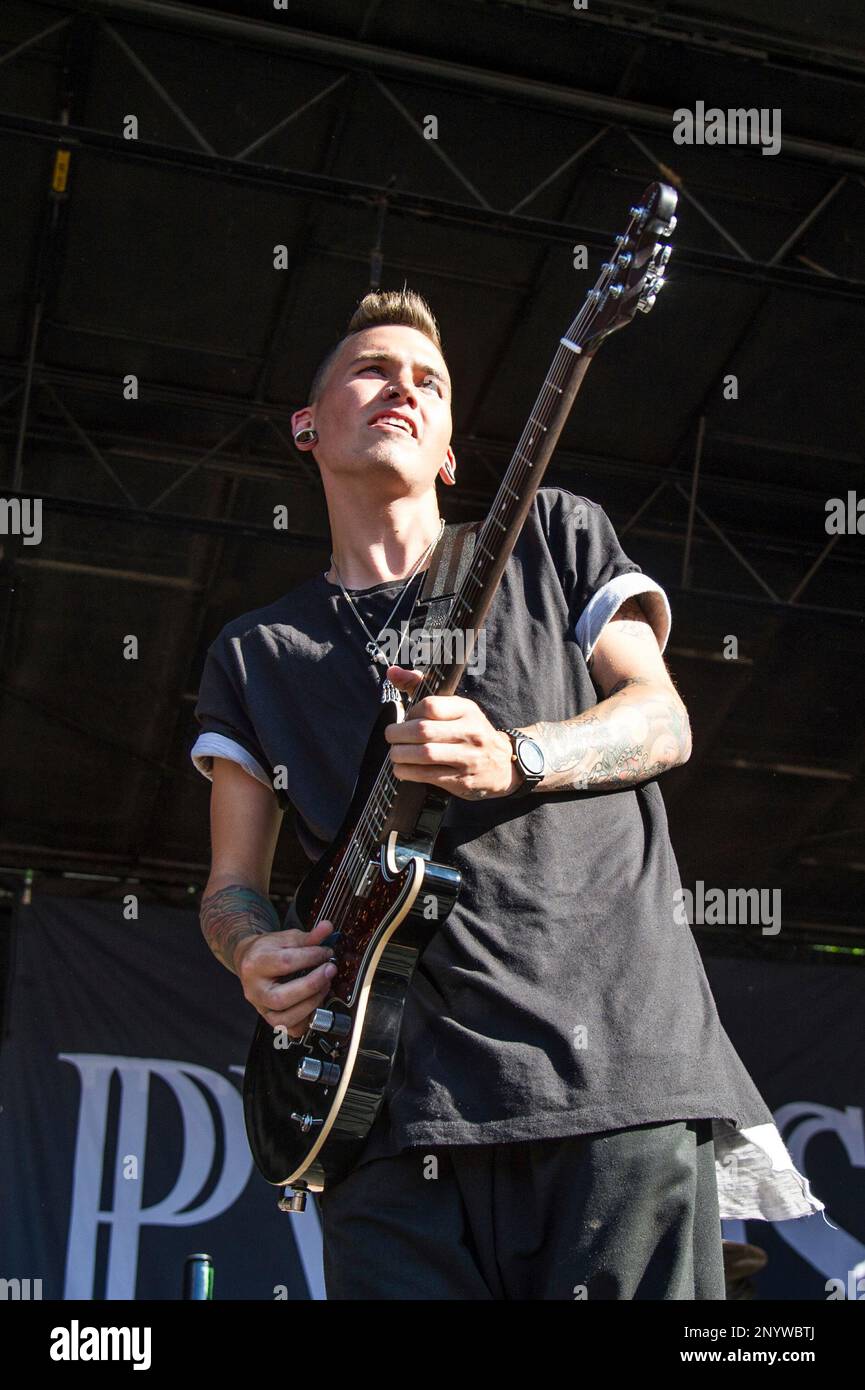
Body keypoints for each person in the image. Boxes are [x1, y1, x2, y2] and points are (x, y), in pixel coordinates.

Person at [191, 289, 824, 1301]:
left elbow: (661, 718)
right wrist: (250, 950)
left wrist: (517, 758)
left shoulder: (552, 538)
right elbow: (231, 885)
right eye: (371, 369)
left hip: (611, 1081)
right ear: (307, 428)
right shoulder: (255, 652)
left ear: (447, 453)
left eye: (428, 382)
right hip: (385, 1116)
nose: (402, 384)